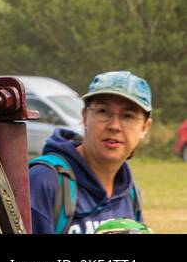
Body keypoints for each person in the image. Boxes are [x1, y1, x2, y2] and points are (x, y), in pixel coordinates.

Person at [29, 70, 151, 234]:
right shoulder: (44, 180)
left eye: (128, 116)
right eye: (103, 111)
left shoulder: (130, 193)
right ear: (85, 116)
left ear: (145, 127)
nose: (114, 126)